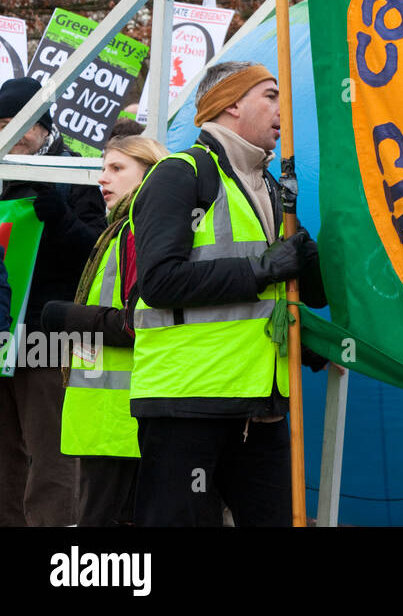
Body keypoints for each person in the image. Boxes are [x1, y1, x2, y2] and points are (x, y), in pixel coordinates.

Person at [128, 60, 325, 526]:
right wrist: (262, 267)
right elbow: (158, 283)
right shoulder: (179, 174)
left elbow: (304, 294)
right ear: (231, 104)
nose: (283, 109)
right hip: (188, 404)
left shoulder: (273, 188)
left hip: (261, 406)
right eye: (270, 95)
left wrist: (308, 255)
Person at [41, 134, 166, 526]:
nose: (102, 178)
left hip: (121, 421)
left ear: (149, 174)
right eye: (102, 168)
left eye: (117, 168)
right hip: (108, 419)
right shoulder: (119, 229)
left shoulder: (137, 230)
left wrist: (66, 317)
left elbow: (138, 321)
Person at [0, 76, 107, 526]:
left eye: (16, 122)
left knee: (52, 450)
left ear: (42, 124)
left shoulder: (79, 173)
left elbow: (101, 257)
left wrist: (61, 221)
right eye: (2, 123)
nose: (10, 133)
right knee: (4, 451)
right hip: (4, 331)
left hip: (52, 339)